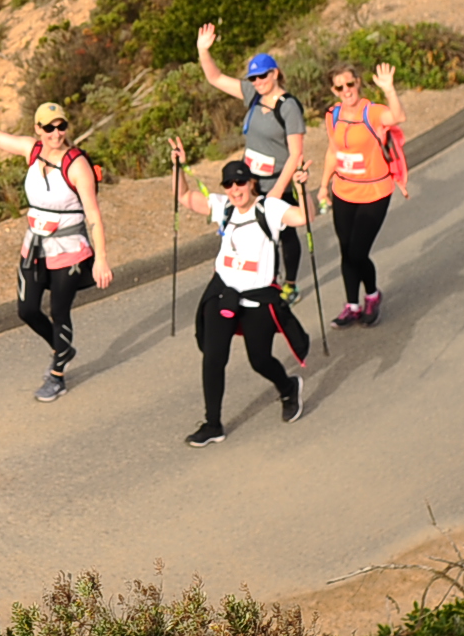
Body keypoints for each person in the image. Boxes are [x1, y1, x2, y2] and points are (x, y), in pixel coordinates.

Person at [0, 74, 114, 402]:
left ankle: (57, 374)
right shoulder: (32, 152)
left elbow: (94, 216)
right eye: (48, 128)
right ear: (38, 130)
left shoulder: (77, 166)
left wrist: (100, 259)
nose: (56, 133)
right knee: (27, 310)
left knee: (60, 312)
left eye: (61, 126)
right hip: (34, 247)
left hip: (69, 250)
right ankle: (62, 348)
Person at [167, 141, 310, 446]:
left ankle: (288, 388)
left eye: (240, 182)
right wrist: (178, 166)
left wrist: (302, 189)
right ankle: (213, 424)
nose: (235, 189)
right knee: (213, 358)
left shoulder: (268, 208)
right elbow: (183, 197)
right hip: (223, 293)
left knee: (259, 360)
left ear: (251, 182)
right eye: (229, 184)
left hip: (258, 298)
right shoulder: (224, 207)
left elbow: (303, 218)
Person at [195, 22, 307, 298]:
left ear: (276, 73)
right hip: (252, 180)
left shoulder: (288, 107)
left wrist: (279, 190)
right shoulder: (253, 96)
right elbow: (215, 78)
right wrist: (203, 50)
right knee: (259, 232)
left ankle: (289, 284)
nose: (257, 82)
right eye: (254, 78)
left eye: (262, 76)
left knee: (283, 232)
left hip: (277, 180)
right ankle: (267, 282)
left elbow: (296, 153)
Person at [318, 61, 404, 327]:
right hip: (343, 190)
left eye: (350, 84)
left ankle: (373, 295)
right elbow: (333, 152)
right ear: (334, 90)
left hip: (375, 192)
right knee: (346, 250)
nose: (346, 90)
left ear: (358, 82)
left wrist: (389, 90)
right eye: (339, 86)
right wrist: (323, 186)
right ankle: (352, 305)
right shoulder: (333, 115)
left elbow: (397, 117)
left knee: (357, 252)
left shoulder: (373, 112)